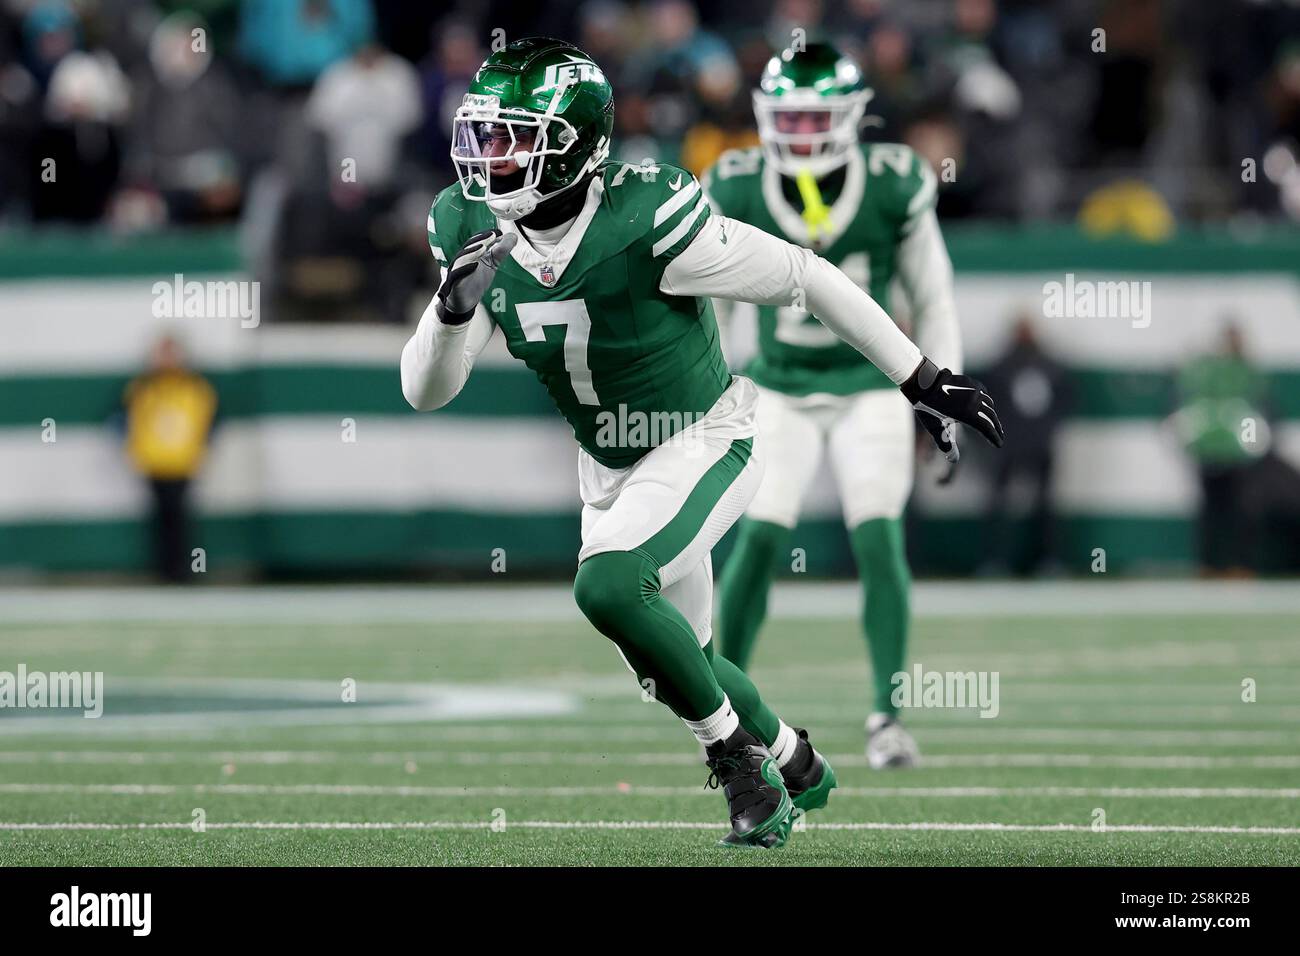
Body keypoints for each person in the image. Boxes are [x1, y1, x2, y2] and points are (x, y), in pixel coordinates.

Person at [404, 38, 1004, 849]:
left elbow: (802, 274)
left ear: (574, 143)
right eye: (485, 135)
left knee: (609, 588)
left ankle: (738, 763)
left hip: (708, 439)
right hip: (609, 467)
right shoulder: (466, 223)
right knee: (673, 663)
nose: (492, 156)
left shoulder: (645, 213)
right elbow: (427, 390)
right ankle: (793, 756)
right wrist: (448, 312)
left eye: (516, 136)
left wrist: (922, 378)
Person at [705, 42, 963, 770]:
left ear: (851, 116)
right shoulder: (736, 182)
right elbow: (710, 303)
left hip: (867, 390)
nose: (803, 132)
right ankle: (726, 718)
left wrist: (940, 394)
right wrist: (711, 394)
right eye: (790, 116)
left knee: (878, 538)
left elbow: (933, 297)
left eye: (818, 115)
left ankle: (887, 715)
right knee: (755, 542)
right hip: (777, 386)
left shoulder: (892, 182)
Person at [979, 313, 1072, 576]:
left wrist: (1047, 431)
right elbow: (985, 403)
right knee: (998, 506)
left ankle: (1047, 560)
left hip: (1039, 446)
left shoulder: (1049, 366)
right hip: (1006, 446)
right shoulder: (1001, 367)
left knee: (1046, 507)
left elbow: (1065, 401)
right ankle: (995, 561)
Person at [121, 335, 218, 583]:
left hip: (183, 463)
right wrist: (133, 450)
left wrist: (202, 449)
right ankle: (163, 571)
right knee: (160, 518)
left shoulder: (195, 388)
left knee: (181, 519)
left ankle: (184, 571)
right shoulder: (142, 389)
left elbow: (211, 422)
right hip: (154, 463)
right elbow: (123, 420)